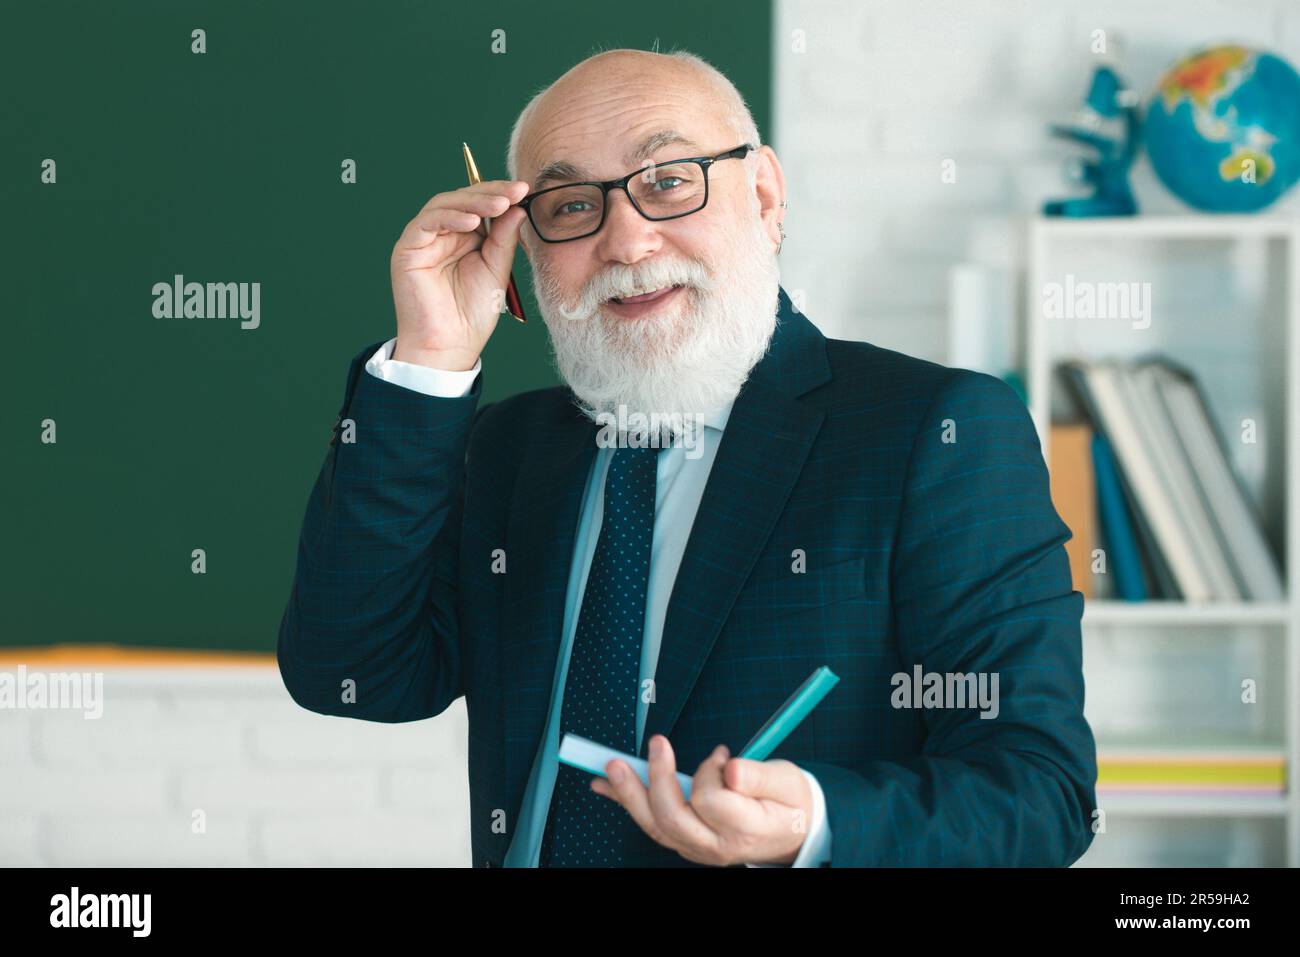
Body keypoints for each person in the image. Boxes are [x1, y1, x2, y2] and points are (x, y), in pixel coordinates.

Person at [277, 47, 1097, 867]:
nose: (627, 243)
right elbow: (354, 670)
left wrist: (813, 824)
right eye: (569, 206)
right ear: (528, 248)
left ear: (766, 195)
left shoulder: (935, 431)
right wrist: (430, 356)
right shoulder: (510, 449)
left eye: (669, 181)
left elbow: (1040, 792)